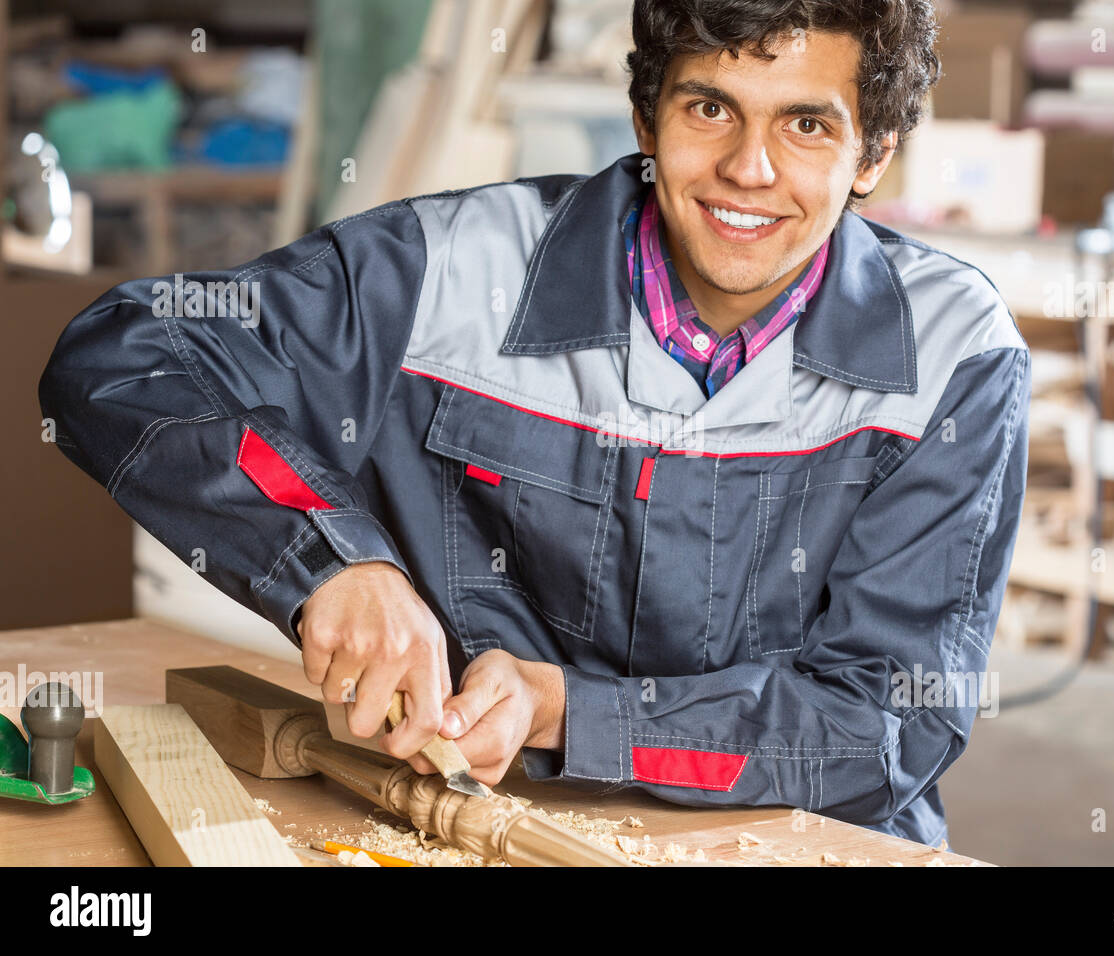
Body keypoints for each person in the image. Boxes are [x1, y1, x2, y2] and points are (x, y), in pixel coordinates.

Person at [40, 0, 1029, 848]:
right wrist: (330, 560)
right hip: (472, 836)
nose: (748, 167)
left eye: (807, 124)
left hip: (806, 847)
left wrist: (566, 710)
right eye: (708, 106)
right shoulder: (451, 271)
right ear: (647, 117)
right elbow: (125, 355)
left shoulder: (950, 353)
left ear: (876, 153)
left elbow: (878, 727)